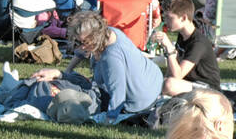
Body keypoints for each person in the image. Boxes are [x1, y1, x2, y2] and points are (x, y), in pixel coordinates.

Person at [31, 10, 161, 120]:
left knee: (61, 95)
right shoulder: (110, 32)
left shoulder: (110, 58)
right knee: (62, 83)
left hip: (134, 103)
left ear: (94, 37)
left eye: (83, 42)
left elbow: (118, 94)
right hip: (152, 85)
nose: (81, 46)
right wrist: (64, 72)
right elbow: (81, 53)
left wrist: (110, 118)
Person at [155, 0, 220, 95]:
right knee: (158, 81)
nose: (166, 21)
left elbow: (177, 76)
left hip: (209, 90)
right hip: (189, 84)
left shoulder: (198, 43)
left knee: (169, 85)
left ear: (183, 18)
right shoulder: (182, 36)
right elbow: (173, 68)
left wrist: (169, 47)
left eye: (169, 18)